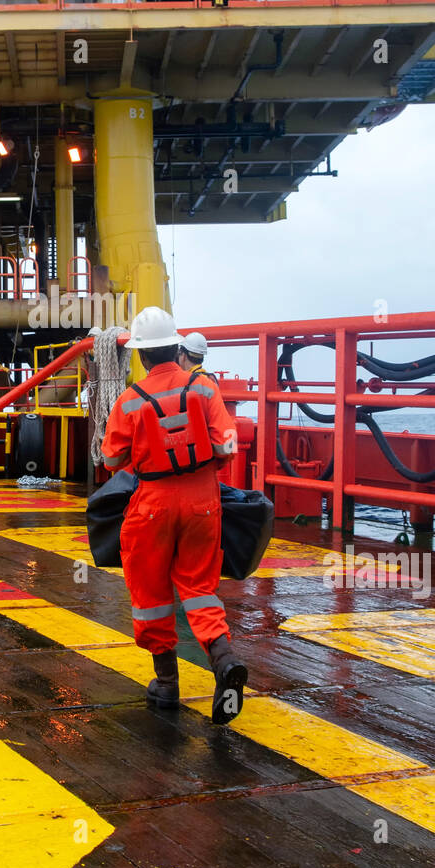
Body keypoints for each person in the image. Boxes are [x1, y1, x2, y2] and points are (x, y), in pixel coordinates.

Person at [101, 306, 247, 725]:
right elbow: (227, 446)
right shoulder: (203, 389)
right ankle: (223, 660)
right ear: (177, 347)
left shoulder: (130, 401)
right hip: (203, 501)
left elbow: (112, 459)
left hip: (153, 506)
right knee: (199, 588)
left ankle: (166, 683)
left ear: (141, 356)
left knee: (150, 594)